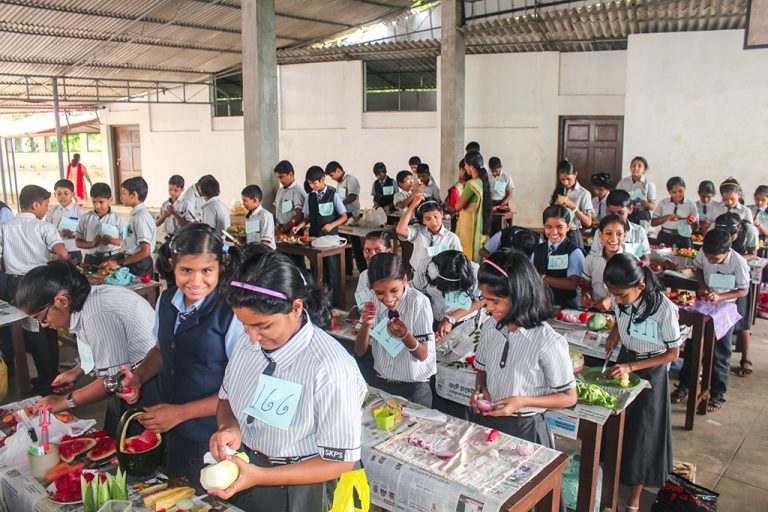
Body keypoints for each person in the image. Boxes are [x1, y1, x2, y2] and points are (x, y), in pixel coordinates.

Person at [206, 252, 366, 510]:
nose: (252, 337)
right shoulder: (246, 345)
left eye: (264, 326)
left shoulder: (330, 368)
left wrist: (261, 477)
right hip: (250, 469)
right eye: (244, 325)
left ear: (296, 308)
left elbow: (340, 461)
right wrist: (229, 428)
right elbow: (226, 399)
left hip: (305, 485)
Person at [115, 224, 244, 485]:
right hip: (172, 427)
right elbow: (162, 349)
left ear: (221, 267)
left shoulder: (232, 313)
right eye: (186, 270)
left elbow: (241, 387)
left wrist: (181, 413)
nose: (196, 282)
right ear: (172, 265)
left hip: (215, 432)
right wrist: (139, 377)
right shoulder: (167, 300)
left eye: (207, 271)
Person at [18, 261, 159, 436]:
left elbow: (111, 382)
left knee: (132, 445)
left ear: (61, 301)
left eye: (42, 318)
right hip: (131, 375)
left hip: (148, 379)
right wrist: (77, 372)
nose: (44, 325)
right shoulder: (87, 302)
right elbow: (98, 348)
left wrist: (64, 402)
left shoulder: (96, 314)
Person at [470, 250, 576, 455]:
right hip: (489, 421)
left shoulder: (548, 340)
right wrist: (480, 390)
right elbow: (482, 370)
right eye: (485, 299)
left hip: (526, 429)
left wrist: (523, 401)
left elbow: (569, 397)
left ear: (518, 296)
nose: (489, 308)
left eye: (495, 301)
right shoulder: (490, 328)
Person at [603, 253, 683, 512]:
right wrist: (615, 335)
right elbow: (620, 316)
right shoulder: (622, 299)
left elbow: (672, 353)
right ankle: (610, 482)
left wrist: (632, 366)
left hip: (652, 369)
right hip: (627, 360)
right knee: (617, 425)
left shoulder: (664, 309)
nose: (617, 300)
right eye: (613, 294)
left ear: (640, 286)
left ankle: (635, 497)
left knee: (643, 434)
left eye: (622, 295)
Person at [0, 185, 68, 394]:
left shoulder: (5, 227)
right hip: (41, 282)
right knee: (48, 327)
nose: (46, 210)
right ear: (35, 204)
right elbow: (62, 253)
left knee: (31, 331)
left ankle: (47, 378)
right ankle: (52, 378)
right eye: (46, 205)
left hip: (15, 284)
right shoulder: (43, 227)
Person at [671, 229, 749, 412]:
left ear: (727, 251)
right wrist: (703, 287)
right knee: (692, 346)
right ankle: (684, 386)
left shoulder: (739, 263)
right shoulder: (704, 253)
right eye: (708, 258)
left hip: (725, 307)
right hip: (705, 302)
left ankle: (717, 394)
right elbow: (698, 269)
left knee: (720, 353)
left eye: (715, 259)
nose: (711, 261)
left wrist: (720, 297)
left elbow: (743, 291)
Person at [355, 253, 435, 407]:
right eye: (380, 292)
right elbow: (360, 351)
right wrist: (366, 324)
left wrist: (405, 336)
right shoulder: (371, 299)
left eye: (394, 290)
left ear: (405, 280)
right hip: (381, 383)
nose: (388, 298)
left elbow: (423, 355)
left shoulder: (418, 302)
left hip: (414, 390)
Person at [292, 166, 348, 305]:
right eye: (310, 183)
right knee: (318, 269)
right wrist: (299, 226)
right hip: (315, 238)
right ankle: (320, 300)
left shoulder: (333, 195)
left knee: (331, 269)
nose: (312, 186)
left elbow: (344, 216)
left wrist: (331, 225)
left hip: (330, 239)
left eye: (314, 183)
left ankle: (334, 301)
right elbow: (307, 217)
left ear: (323, 179)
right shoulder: (310, 196)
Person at [714, 213, 757, 379]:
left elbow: (754, 253)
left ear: (738, 229)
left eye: (732, 236)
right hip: (721, 278)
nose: (728, 238)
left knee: (742, 321)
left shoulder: (749, 230)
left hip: (740, 278)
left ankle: (745, 359)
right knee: (721, 320)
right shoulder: (718, 231)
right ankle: (708, 360)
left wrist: (734, 259)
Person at [411, 250, 483, 339]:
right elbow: (419, 295)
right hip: (433, 317)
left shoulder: (476, 272)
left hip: (464, 321)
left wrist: (451, 318)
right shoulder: (425, 267)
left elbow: (481, 300)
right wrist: (425, 321)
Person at [532, 205, 585, 309]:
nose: (554, 232)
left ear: (568, 227)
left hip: (567, 308)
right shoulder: (538, 249)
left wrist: (542, 278)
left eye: (559, 227)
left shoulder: (574, 252)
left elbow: (572, 284)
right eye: (549, 227)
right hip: (542, 306)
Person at [101, 177, 156, 276]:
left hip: (139, 264)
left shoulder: (141, 217)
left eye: (123, 193)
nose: (121, 197)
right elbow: (131, 244)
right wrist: (113, 259)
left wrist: (119, 263)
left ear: (134, 195)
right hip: (133, 260)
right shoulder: (135, 215)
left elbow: (145, 251)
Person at [396, 198, 461, 273]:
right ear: (423, 220)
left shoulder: (452, 238)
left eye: (436, 217)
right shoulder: (418, 231)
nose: (433, 222)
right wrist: (412, 206)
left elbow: (459, 262)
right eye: (427, 219)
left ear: (442, 214)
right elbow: (400, 230)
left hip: (441, 278)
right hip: (418, 275)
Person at [581, 215, 628, 312]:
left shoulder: (630, 261)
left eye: (619, 234)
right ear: (600, 235)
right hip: (595, 311)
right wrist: (586, 294)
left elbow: (635, 293)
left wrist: (612, 301)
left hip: (622, 312)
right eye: (608, 233)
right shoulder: (591, 259)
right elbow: (587, 286)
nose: (614, 238)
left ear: (625, 235)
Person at [590, 189, 651, 263]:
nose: (616, 217)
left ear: (630, 209)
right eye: (611, 213)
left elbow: (646, 259)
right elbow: (593, 258)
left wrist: (636, 268)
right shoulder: (600, 233)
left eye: (620, 213)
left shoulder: (639, 231)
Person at [325, 161, 365, 275]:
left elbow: (352, 196)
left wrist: (339, 203)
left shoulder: (350, 179)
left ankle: (362, 270)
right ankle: (347, 270)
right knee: (344, 243)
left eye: (332, 175)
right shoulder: (339, 182)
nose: (332, 178)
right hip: (344, 215)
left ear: (338, 170)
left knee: (356, 244)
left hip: (353, 214)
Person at [75, 183, 127, 267]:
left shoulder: (119, 219)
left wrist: (110, 240)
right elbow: (78, 242)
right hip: (90, 259)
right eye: (94, 202)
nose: (97, 206)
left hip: (112, 258)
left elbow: (127, 242)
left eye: (101, 202)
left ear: (110, 200)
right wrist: (91, 244)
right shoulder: (85, 218)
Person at [456, 151, 491, 262]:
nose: (465, 168)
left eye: (466, 165)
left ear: (470, 166)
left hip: (469, 228)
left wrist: (461, 183)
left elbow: (458, 206)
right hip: (480, 226)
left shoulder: (471, 184)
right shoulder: (483, 182)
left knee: (467, 256)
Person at [550, 160, 593, 251]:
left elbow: (588, 222)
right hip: (557, 232)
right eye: (562, 179)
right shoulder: (559, 191)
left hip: (573, 233)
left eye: (569, 179)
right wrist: (556, 205)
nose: (565, 182)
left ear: (575, 174)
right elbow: (550, 216)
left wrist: (573, 207)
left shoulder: (583, 193)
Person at [651, 177, 698, 249]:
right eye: (674, 192)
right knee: (662, 258)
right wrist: (666, 217)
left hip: (683, 238)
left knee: (684, 258)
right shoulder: (663, 203)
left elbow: (696, 228)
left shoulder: (690, 204)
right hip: (665, 236)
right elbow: (653, 223)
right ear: (669, 192)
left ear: (684, 189)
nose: (677, 195)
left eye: (680, 191)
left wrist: (692, 222)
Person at [46, 179, 85, 264]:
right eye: (59, 194)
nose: (62, 197)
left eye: (66, 193)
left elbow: (85, 233)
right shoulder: (51, 212)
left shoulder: (80, 212)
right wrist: (57, 233)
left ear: (73, 194)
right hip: (55, 251)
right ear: (54, 194)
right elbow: (47, 230)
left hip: (73, 251)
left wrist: (72, 234)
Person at [616, 156, 656, 227]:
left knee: (640, 235)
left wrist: (645, 203)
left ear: (644, 170)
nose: (636, 168)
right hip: (626, 214)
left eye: (639, 166)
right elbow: (617, 198)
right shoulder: (623, 182)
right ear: (630, 168)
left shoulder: (649, 184)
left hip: (642, 215)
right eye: (633, 165)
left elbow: (652, 206)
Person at [354, 230, 393, 298]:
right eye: (367, 250)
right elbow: (362, 304)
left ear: (388, 252)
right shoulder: (364, 276)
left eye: (378, 250)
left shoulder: (395, 275)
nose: (372, 255)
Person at [156, 175, 194, 239]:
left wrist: (175, 213)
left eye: (176, 190)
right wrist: (164, 216)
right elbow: (157, 224)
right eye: (170, 189)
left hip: (182, 238)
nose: (172, 193)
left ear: (182, 189)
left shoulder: (186, 204)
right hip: (168, 237)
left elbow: (189, 226)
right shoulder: (165, 204)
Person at [242, 185, 276, 250]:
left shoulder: (265, 216)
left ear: (255, 200)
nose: (243, 203)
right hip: (252, 253)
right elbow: (250, 238)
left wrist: (252, 252)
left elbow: (265, 242)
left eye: (245, 200)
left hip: (265, 254)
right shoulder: (249, 216)